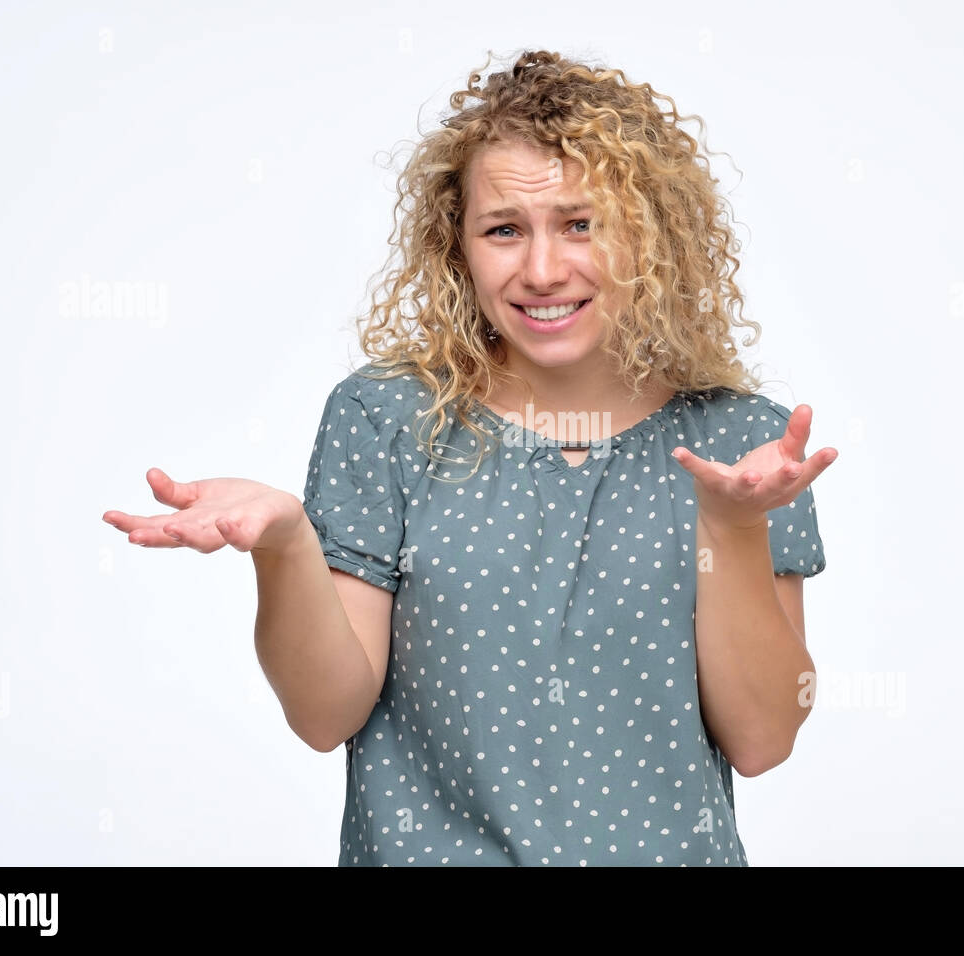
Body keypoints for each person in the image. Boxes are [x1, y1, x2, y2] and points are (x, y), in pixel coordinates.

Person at [102, 49, 838, 866]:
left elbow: (765, 738)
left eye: (581, 223)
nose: (543, 270)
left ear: (651, 232)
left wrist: (732, 528)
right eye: (504, 230)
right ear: (459, 247)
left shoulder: (743, 446)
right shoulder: (384, 422)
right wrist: (286, 547)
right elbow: (323, 715)